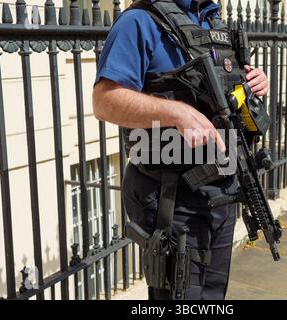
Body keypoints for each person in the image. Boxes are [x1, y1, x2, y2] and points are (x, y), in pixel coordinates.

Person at [92, 0, 269, 300]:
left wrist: (254, 82)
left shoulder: (213, 23)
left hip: (223, 192)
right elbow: (104, 101)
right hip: (173, 197)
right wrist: (175, 113)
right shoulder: (139, 21)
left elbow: (224, 95)